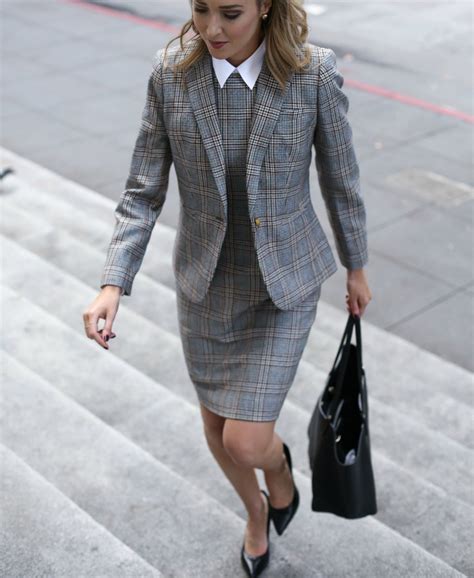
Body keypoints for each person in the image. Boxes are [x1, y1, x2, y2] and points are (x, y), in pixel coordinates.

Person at [83, 0, 372, 575]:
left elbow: (340, 177)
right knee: (216, 426)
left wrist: (356, 265)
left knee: (245, 440)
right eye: (201, 9)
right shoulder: (171, 74)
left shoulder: (313, 73)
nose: (211, 28)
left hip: (282, 285)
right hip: (207, 284)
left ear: (264, 7)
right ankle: (255, 513)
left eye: (231, 13)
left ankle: (280, 473)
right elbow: (142, 190)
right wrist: (113, 282)